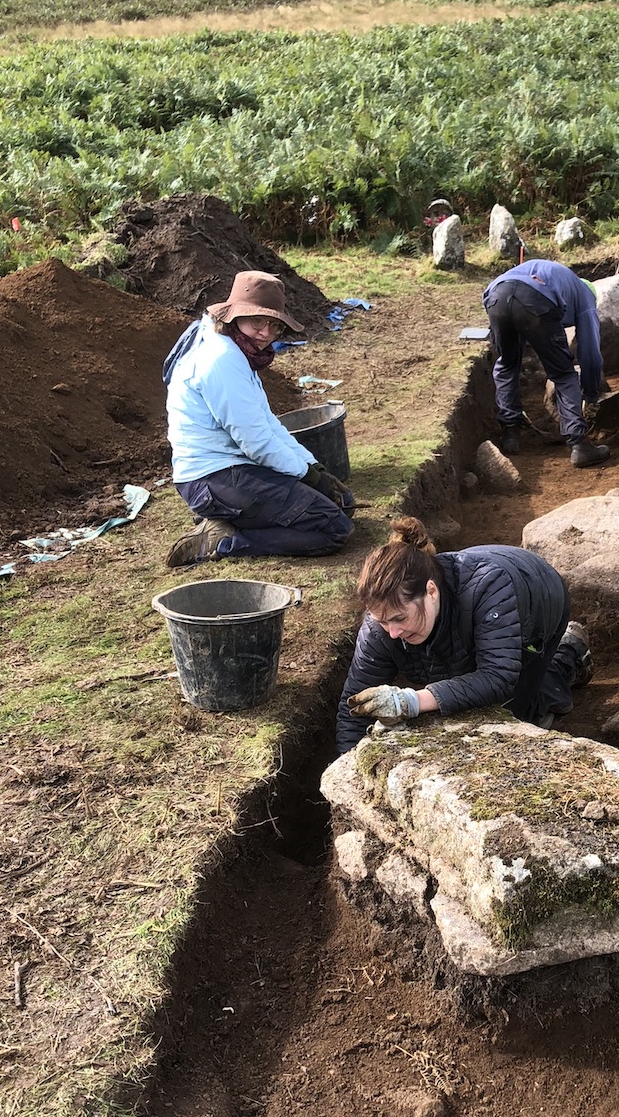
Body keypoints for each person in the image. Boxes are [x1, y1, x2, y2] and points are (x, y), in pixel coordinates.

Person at [336, 517, 592, 755]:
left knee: (512, 714)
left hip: (536, 594)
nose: (393, 632)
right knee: (455, 681)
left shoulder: (487, 589)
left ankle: (568, 655)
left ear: (431, 591)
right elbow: (354, 707)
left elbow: (498, 676)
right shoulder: (379, 626)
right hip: (467, 612)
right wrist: (347, 768)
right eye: (382, 621)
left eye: (400, 619)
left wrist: (411, 701)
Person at [163, 270, 354, 569]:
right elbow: (256, 442)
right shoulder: (221, 360)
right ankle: (224, 542)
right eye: (257, 321)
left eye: (274, 326)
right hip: (212, 478)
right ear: (234, 316)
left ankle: (227, 520)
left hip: (236, 470)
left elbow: (268, 423)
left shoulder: (236, 352)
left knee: (345, 505)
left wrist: (312, 466)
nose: (265, 333)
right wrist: (309, 478)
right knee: (333, 529)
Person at [482, 259, 610, 469]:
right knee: (563, 374)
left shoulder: (558, 277)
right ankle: (579, 445)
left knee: (507, 363)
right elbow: (590, 354)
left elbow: (508, 304)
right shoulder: (585, 296)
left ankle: (510, 433)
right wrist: (591, 393)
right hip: (536, 300)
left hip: (497, 294)